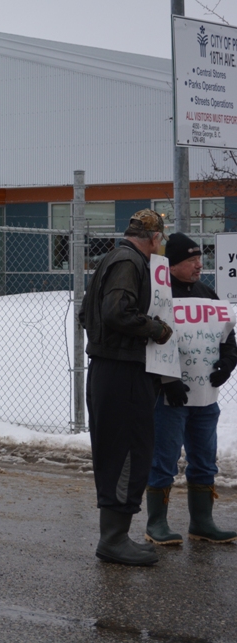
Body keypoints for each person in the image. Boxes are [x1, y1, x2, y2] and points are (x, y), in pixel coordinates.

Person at [79, 209, 173, 566]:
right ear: (154, 238)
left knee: (117, 450)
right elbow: (117, 311)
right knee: (128, 452)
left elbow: (87, 314)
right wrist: (156, 329)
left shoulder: (114, 259)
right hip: (122, 373)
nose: (160, 246)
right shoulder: (129, 262)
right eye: (160, 240)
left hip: (111, 369)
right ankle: (114, 539)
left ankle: (116, 535)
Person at [145, 232, 237, 545]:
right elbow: (151, 342)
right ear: (172, 264)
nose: (200, 264)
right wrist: (167, 382)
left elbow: (227, 338)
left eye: (200, 258)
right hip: (169, 398)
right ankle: (156, 523)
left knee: (205, 459)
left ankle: (202, 523)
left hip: (205, 398)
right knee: (164, 460)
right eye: (191, 259)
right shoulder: (160, 296)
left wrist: (227, 364)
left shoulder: (207, 294)